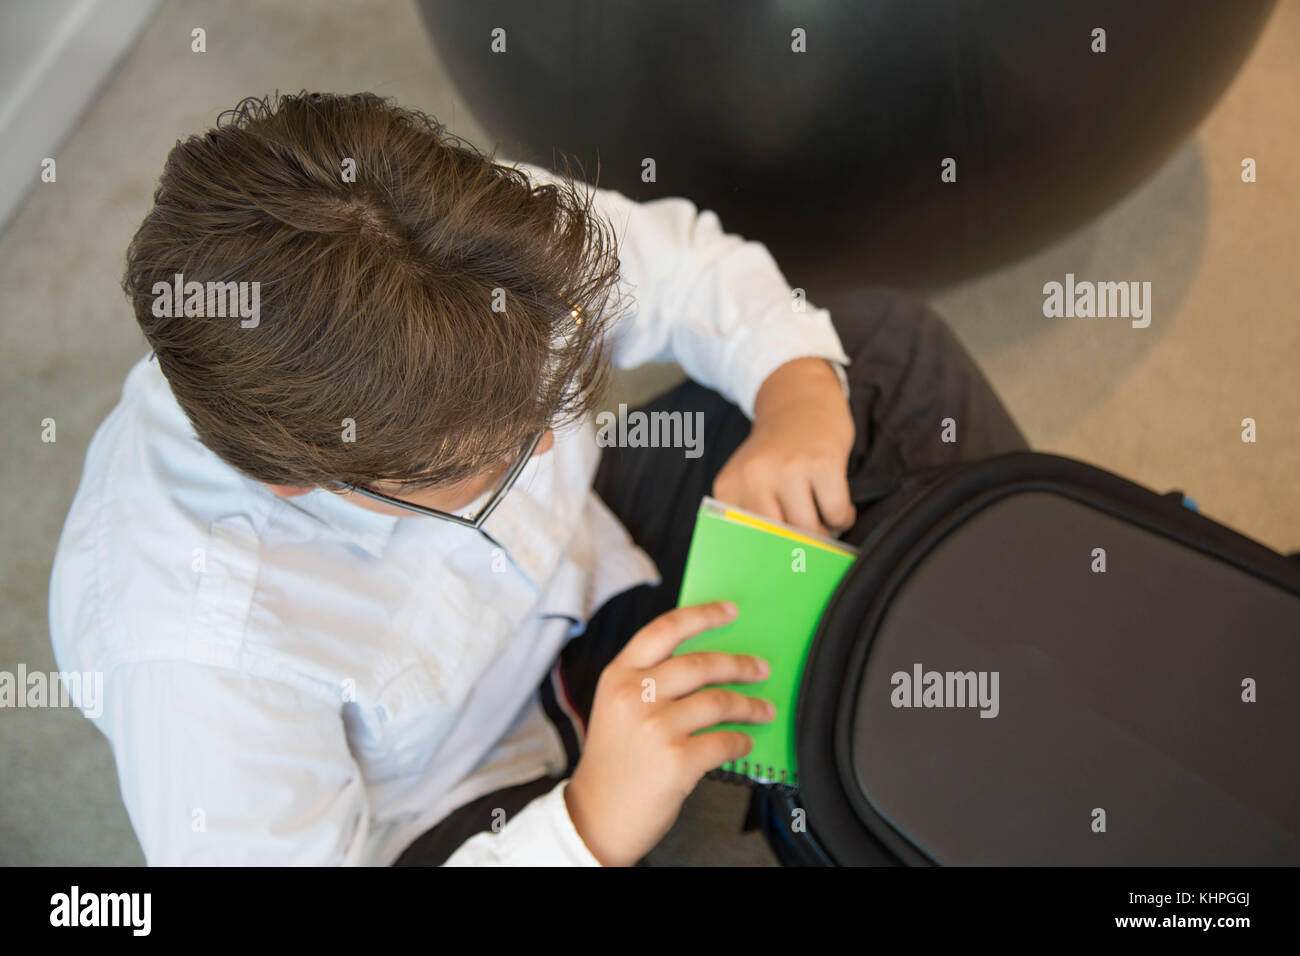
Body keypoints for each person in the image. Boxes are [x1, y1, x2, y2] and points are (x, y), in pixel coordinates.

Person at [48, 92, 1025, 866]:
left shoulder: (439, 232)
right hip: (462, 796)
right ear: (305, 482)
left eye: (553, 393)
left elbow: (683, 270)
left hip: (588, 569)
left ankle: (1011, 715)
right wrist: (589, 823)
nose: (551, 446)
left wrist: (796, 395)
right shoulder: (193, 648)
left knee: (881, 351)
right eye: (490, 458)